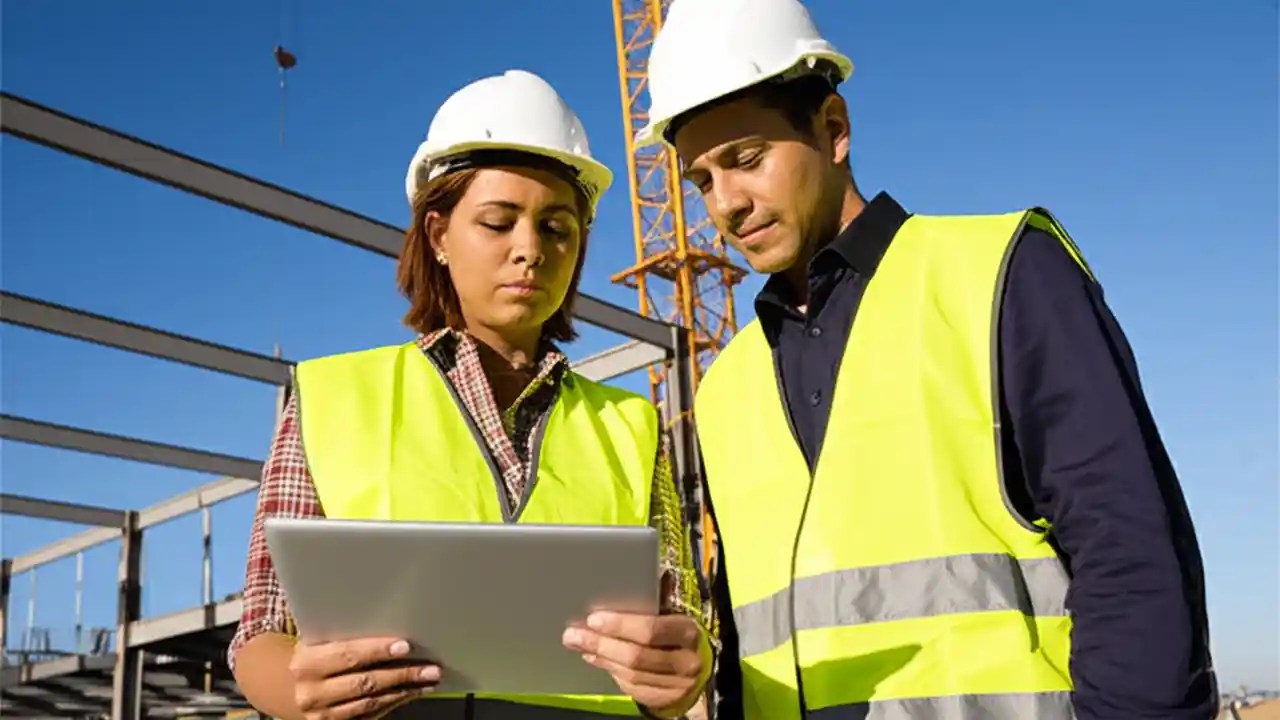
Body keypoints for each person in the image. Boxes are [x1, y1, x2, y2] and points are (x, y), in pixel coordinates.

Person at [635, 2, 1218, 719]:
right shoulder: (725, 388)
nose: (725, 204)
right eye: (701, 181)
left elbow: (1130, 560)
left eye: (747, 160)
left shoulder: (1002, 275)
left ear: (833, 129)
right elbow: (743, 651)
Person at [228, 69, 713, 720]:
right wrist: (299, 690)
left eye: (557, 228)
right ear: (438, 236)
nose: (530, 250)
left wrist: (686, 668)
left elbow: (684, 626)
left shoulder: (633, 425)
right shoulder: (330, 398)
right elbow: (260, 628)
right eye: (498, 222)